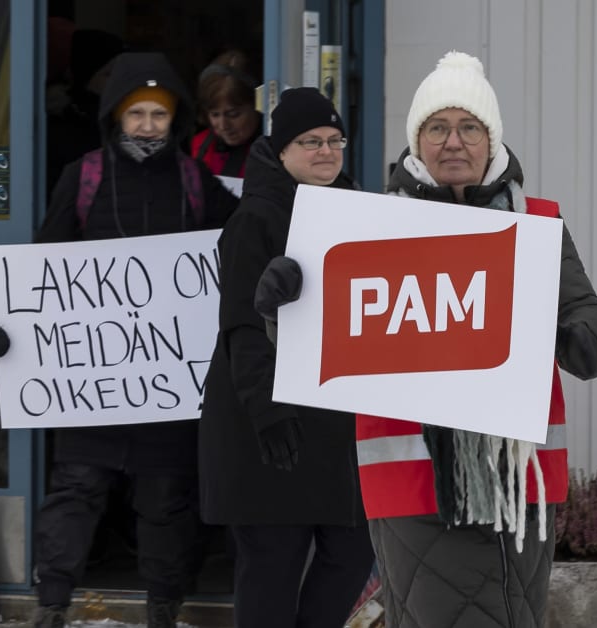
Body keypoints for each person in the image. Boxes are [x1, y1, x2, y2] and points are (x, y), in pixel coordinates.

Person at [255, 52, 597, 627]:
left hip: (514, 487)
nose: (454, 142)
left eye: (469, 127)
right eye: (437, 128)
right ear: (416, 140)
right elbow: (318, 342)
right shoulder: (369, 230)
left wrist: (564, 332)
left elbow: (594, 338)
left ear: (491, 138)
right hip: (408, 486)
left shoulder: (537, 225)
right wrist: (282, 308)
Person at [0, 51, 239, 628]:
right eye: (135, 114)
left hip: (166, 381)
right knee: (75, 490)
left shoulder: (196, 183)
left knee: (166, 501)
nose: (147, 125)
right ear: (115, 117)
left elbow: (241, 246)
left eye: (159, 114)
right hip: (91, 382)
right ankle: (52, 604)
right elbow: (45, 257)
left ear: (176, 119)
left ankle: (162, 606)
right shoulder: (85, 176)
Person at [198, 87, 375, 628]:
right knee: (272, 565)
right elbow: (241, 327)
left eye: (334, 140)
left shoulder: (354, 210)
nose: (326, 151)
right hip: (268, 426)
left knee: (352, 552)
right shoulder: (256, 218)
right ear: (281, 151)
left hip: (330, 421)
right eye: (310, 142)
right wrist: (267, 411)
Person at [45, 29, 126, 195]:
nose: (118, 82)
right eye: (108, 74)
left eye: (123, 74)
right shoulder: (61, 128)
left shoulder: (130, 119)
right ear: (87, 75)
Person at [191, 50, 262, 177]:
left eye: (233, 114)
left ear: (257, 106)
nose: (223, 126)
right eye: (215, 114)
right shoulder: (199, 146)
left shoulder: (274, 152)